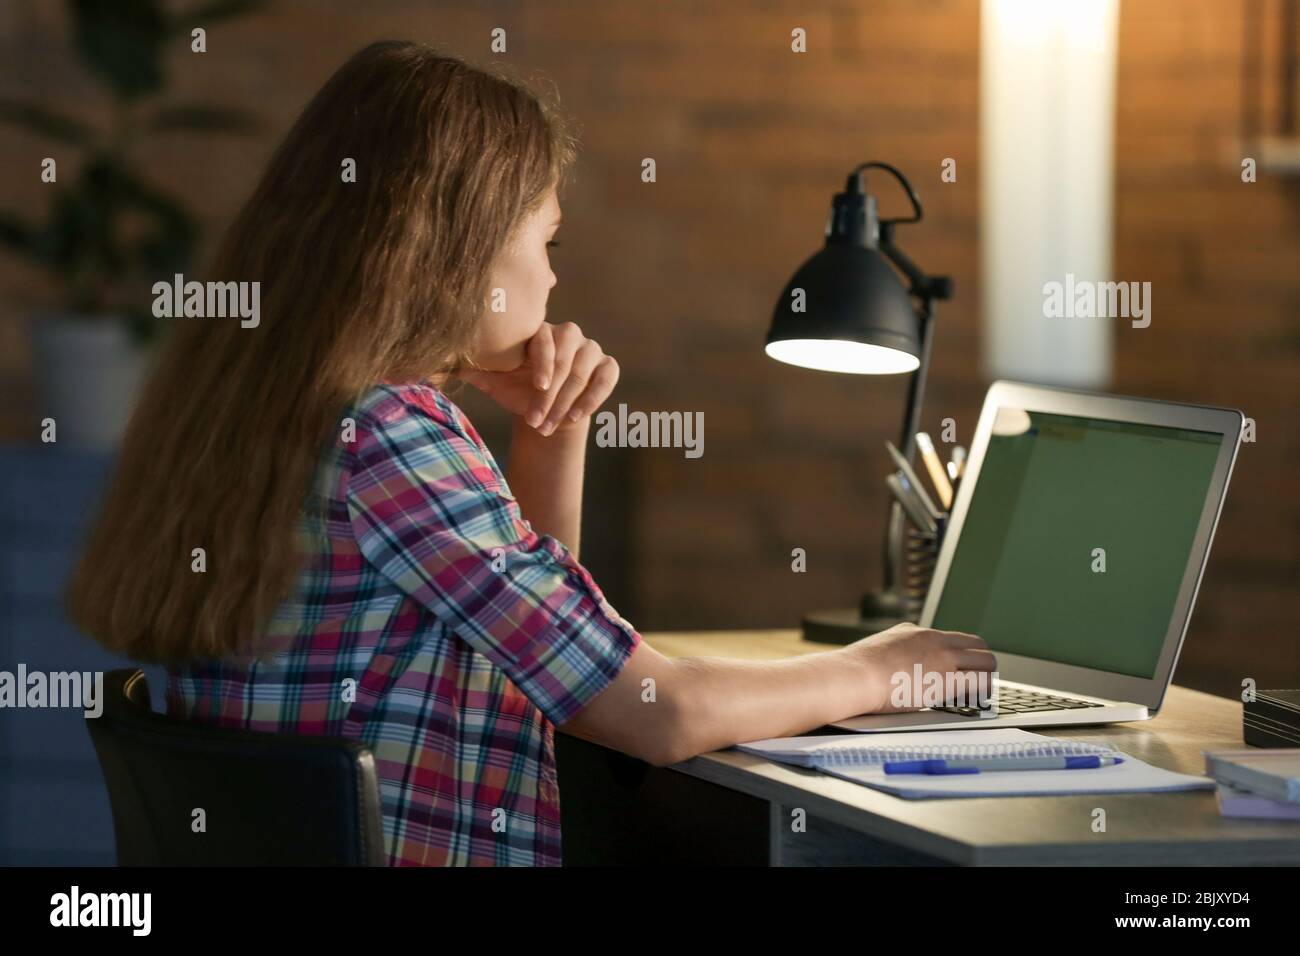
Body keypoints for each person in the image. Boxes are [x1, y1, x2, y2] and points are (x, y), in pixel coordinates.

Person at [66, 41, 994, 866]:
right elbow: (655, 713)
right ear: (454, 247)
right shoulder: (392, 432)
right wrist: (881, 668)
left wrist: (551, 438)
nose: (554, 277)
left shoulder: (253, 406)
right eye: (545, 240)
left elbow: (544, 663)